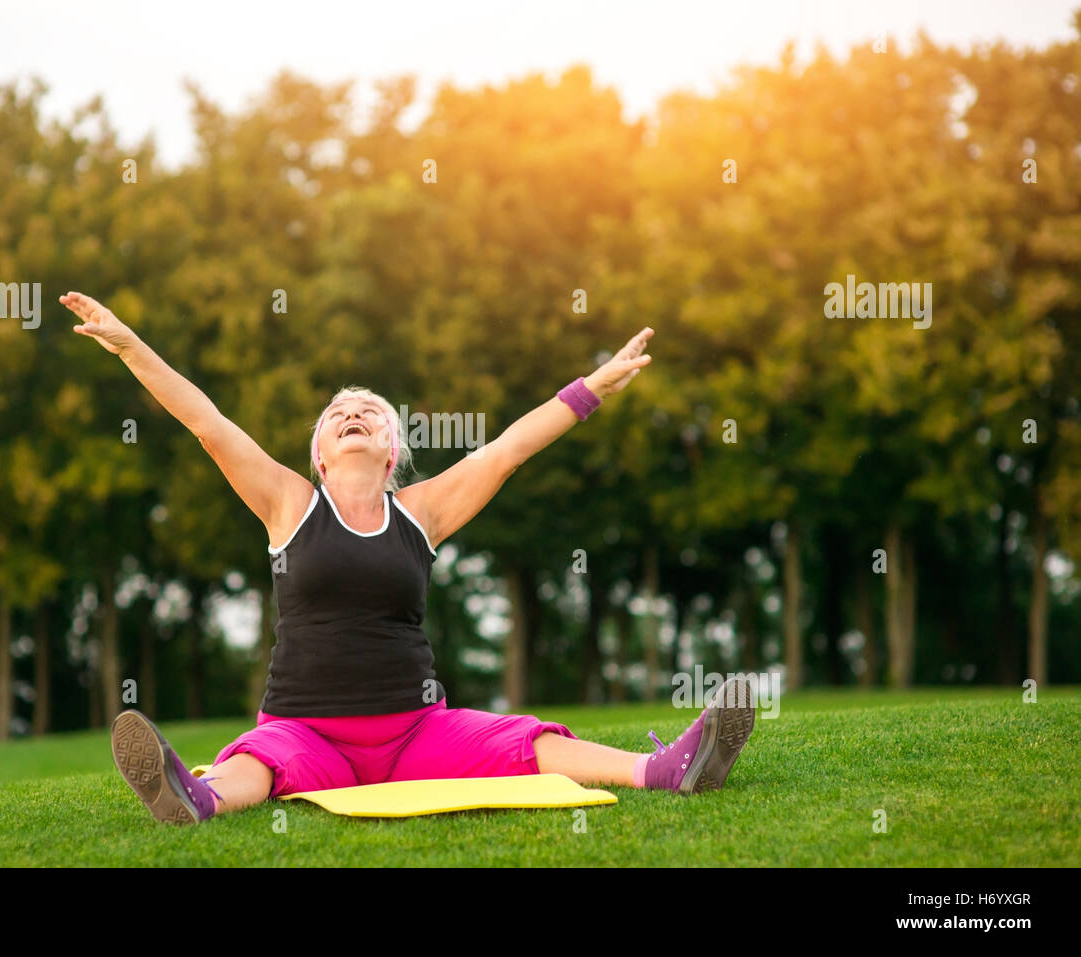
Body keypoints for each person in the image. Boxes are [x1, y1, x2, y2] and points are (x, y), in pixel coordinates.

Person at [59, 291, 756, 825]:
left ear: (392, 449)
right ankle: (196, 797)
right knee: (258, 762)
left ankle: (666, 768)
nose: (353, 412)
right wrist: (129, 347)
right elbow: (206, 422)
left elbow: (506, 449)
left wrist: (590, 390)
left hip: (418, 732)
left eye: (370, 409)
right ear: (320, 454)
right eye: (338, 414)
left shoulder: (420, 512)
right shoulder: (290, 504)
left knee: (525, 739)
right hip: (306, 730)